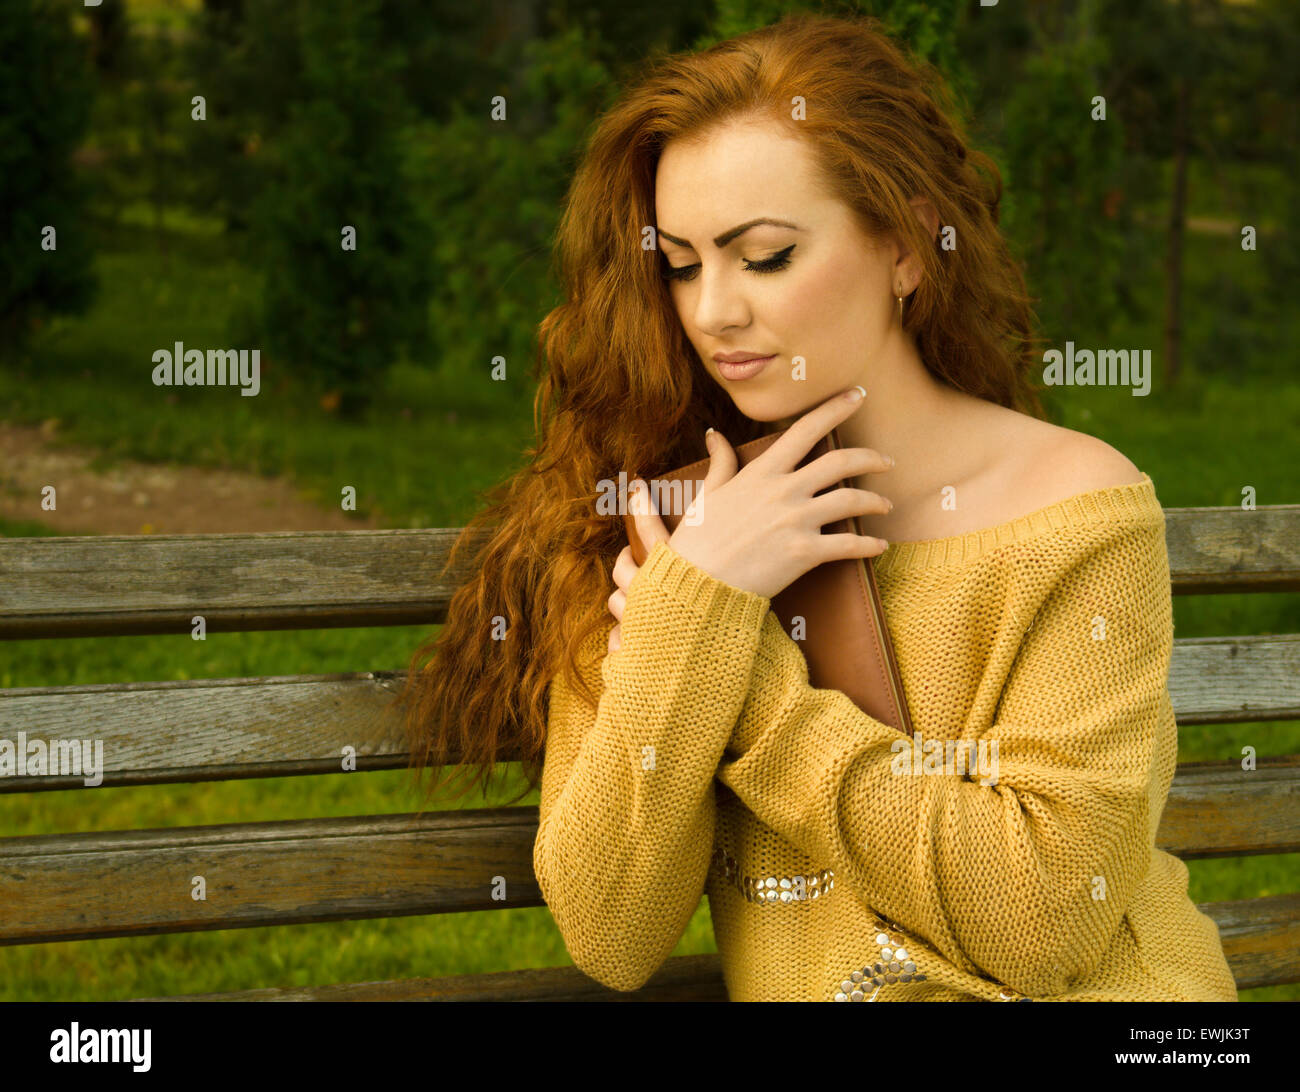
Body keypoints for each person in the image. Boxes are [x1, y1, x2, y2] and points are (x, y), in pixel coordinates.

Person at [397, 12, 1238, 1001]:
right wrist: (697, 595)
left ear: (904, 248)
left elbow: (1041, 919)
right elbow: (610, 932)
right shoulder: (660, 525)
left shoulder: (1072, 509)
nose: (712, 309)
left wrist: (735, 665)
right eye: (680, 262)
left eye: (762, 256)